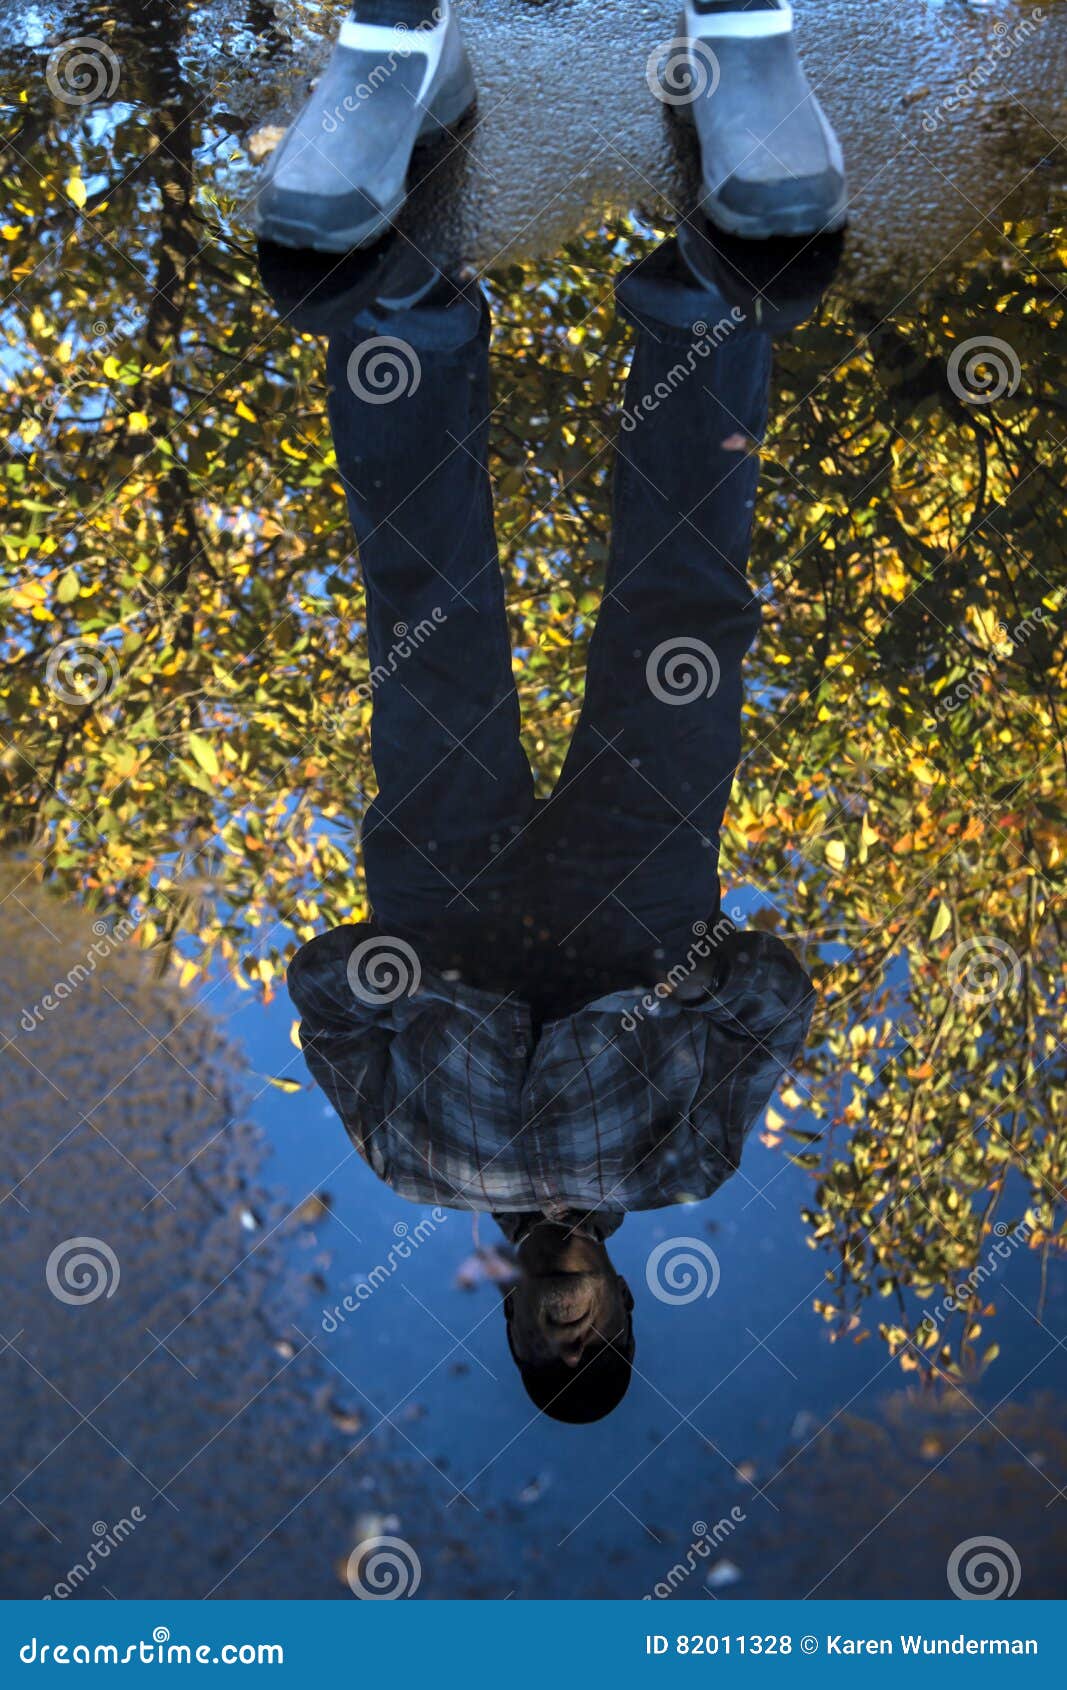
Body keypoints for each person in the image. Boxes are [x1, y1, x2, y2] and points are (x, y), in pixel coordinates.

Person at [269, 1, 845, 1425]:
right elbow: (778, 996)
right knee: (687, 622)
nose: (571, 1333)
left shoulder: (413, 1164)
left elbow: (322, 1006)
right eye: (602, 1350)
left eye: (548, 1355)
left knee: (431, 614)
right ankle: (705, 291)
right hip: (639, 905)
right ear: (630, 1310)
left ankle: (397, 287)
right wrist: (672, 976)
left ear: (518, 1325)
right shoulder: (685, 1161)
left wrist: (414, 971)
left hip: (448, 895)